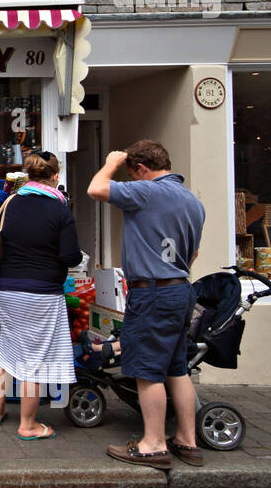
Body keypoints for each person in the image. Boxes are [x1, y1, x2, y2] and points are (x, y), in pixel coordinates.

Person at [87, 139, 205, 469]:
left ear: (142, 169)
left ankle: (152, 444)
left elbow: (96, 189)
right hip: (181, 289)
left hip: (152, 292)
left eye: (133, 174)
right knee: (176, 368)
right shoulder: (193, 202)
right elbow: (193, 253)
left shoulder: (147, 192)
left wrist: (111, 162)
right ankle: (186, 440)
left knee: (147, 369)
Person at [0, 151, 83, 440]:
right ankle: (28, 425)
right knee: (35, 361)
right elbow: (70, 256)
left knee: (8, 350)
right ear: (55, 176)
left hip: (7, 289)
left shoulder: (12, 202)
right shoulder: (60, 210)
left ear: (29, 176)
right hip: (40, 292)